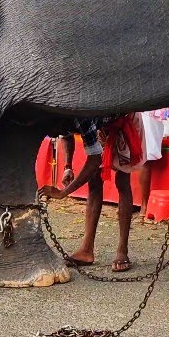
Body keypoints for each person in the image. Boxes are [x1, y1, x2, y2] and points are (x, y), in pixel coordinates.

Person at [39, 115, 141, 273]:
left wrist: (63, 193)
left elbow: (93, 160)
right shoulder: (60, 115)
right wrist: (67, 166)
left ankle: (122, 250)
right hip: (100, 125)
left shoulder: (84, 118)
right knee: (94, 183)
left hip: (124, 120)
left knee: (122, 181)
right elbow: (66, 135)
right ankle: (86, 250)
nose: (53, 136)